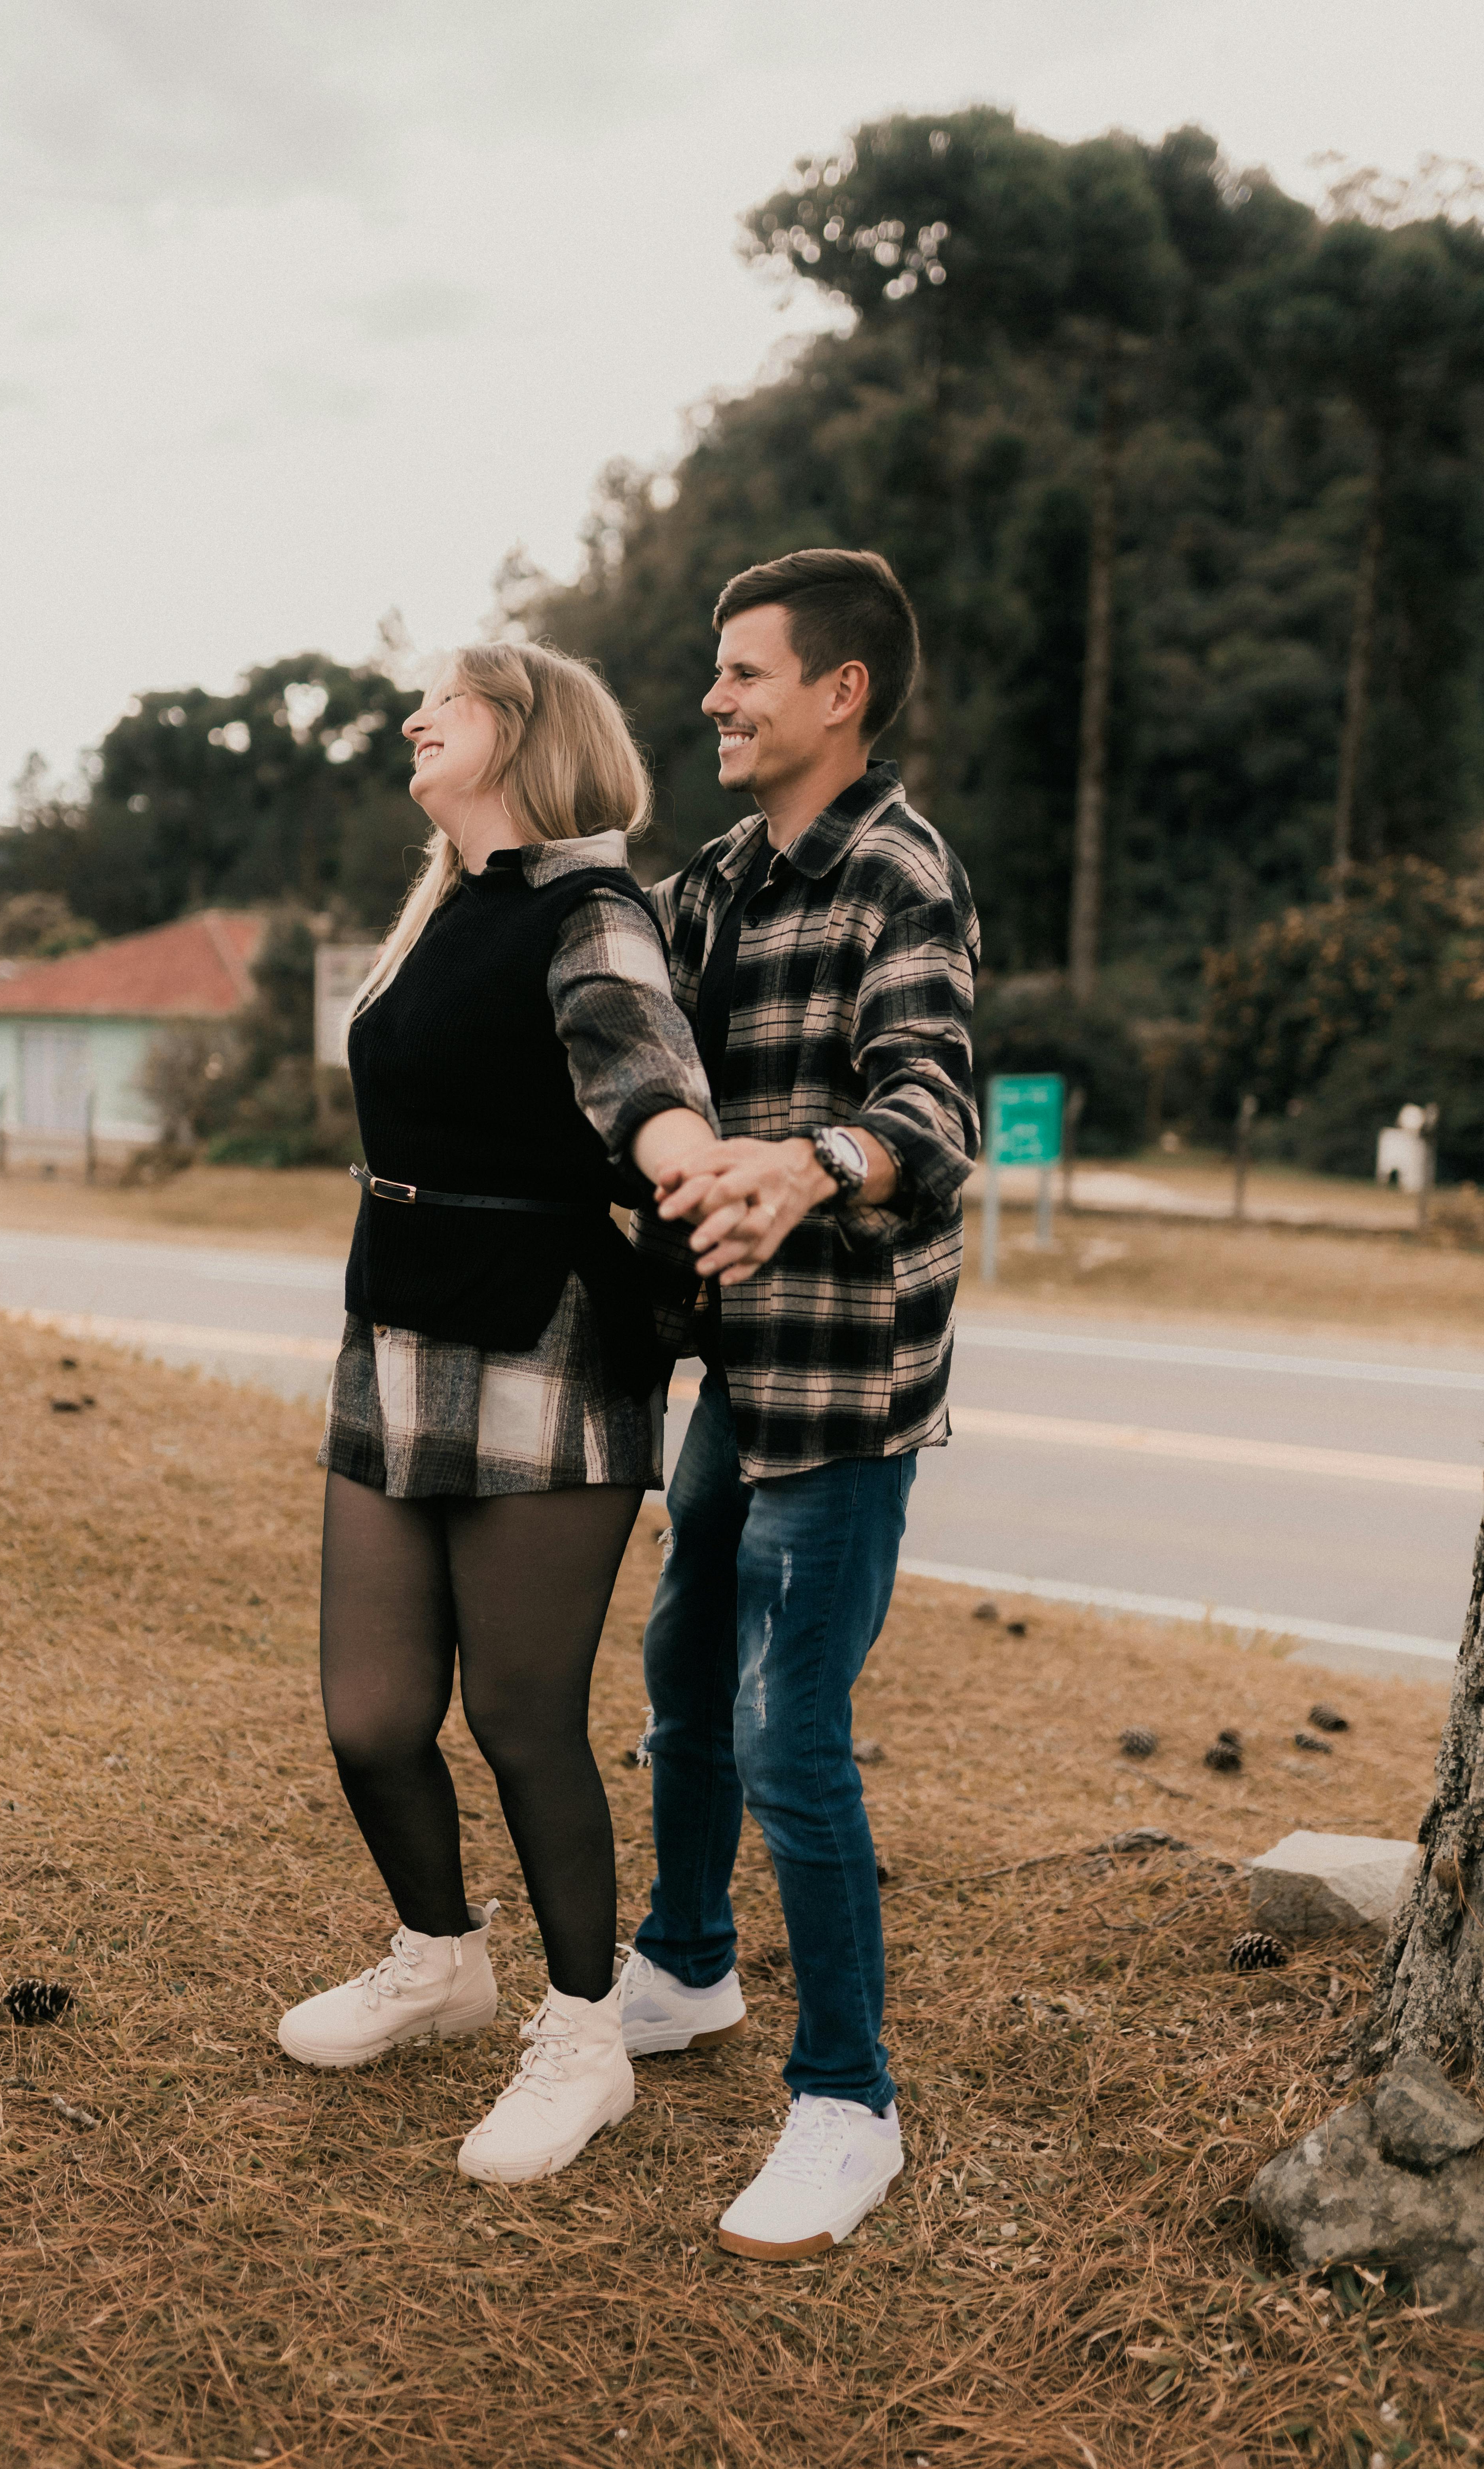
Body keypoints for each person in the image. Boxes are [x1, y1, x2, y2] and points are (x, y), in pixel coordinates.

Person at [277, 642, 719, 2186]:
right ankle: (439, 1957)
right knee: (372, 1715)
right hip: (395, 1331)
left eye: (444, 704)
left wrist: (675, 1150)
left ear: (525, 737)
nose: (415, 719)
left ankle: (585, 2037)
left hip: (546, 1339)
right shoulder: (450, 903)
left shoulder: (588, 910)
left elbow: (639, 1060)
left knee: (520, 1718)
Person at [614, 549, 981, 2260]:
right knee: (681, 1670)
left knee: (789, 1737)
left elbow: (932, 1106)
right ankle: (687, 1965)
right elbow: (620, 998)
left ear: (838, 693)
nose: (713, 698)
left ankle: (848, 2101)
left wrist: (813, 1164)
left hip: (845, 1382)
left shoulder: (899, 877)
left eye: (745, 672)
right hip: (734, 1362)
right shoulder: (720, 880)